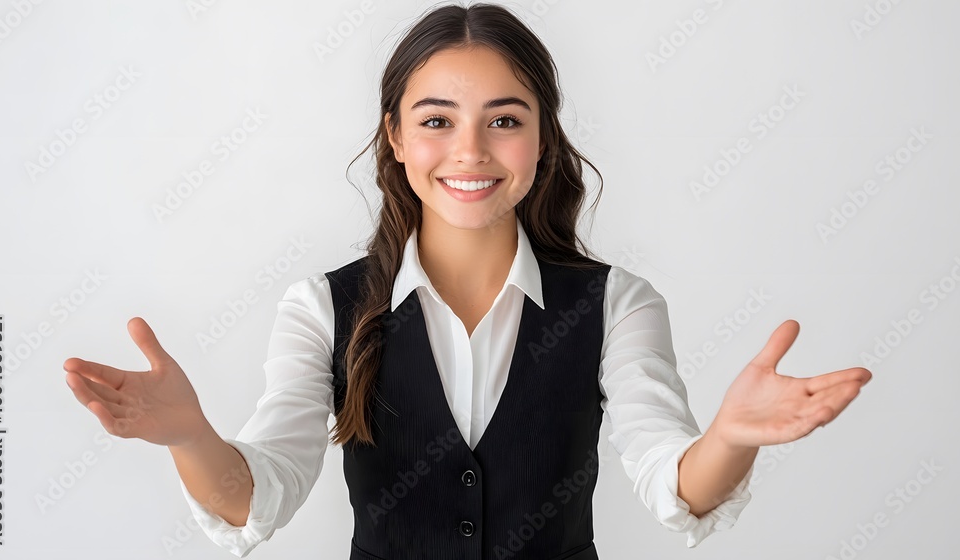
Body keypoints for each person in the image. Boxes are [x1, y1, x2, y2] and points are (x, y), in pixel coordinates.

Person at [62, 3, 872, 558]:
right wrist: (188, 437)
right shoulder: (325, 307)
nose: (471, 151)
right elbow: (256, 499)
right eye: (438, 119)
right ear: (396, 135)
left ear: (543, 137)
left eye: (506, 120)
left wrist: (728, 437)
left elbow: (675, 487)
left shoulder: (616, 304)